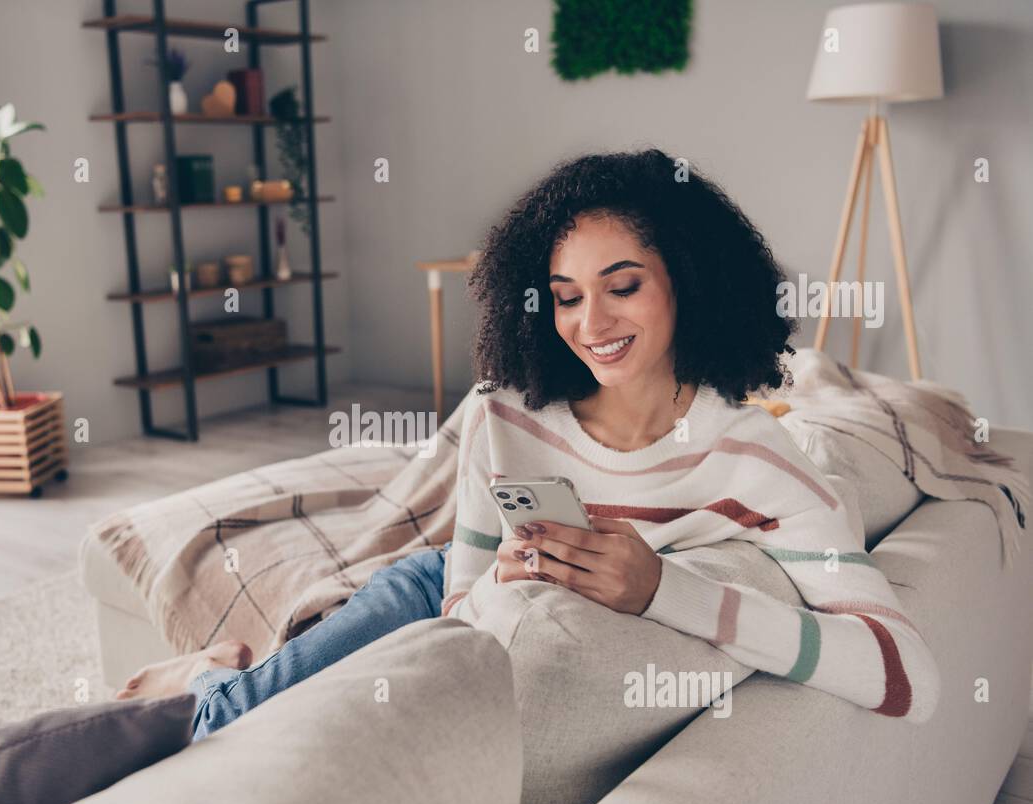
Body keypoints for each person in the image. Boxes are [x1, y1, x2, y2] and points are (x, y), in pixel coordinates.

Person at [117, 148, 940, 738]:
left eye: (623, 287)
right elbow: (460, 610)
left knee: (258, 728)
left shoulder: (761, 465)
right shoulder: (504, 414)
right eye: (566, 297)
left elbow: (907, 678)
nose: (592, 325)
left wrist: (664, 591)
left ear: (689, 281)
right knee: (225, 722)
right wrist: (494, 587)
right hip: (425, 585)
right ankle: (208, 670)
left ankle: (215, 669)